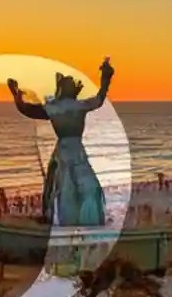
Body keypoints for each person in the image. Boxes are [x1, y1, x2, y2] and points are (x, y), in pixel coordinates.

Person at [7, 57, 115, 227]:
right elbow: (100, 98)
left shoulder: (57, 107)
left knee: (66, 188)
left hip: (66, 150)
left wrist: (16, 96)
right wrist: (106, 79)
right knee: (78, 187)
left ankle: (71, 220)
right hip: (73, 150)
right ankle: (78, 221)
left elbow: (27, 110)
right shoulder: (79, 106)